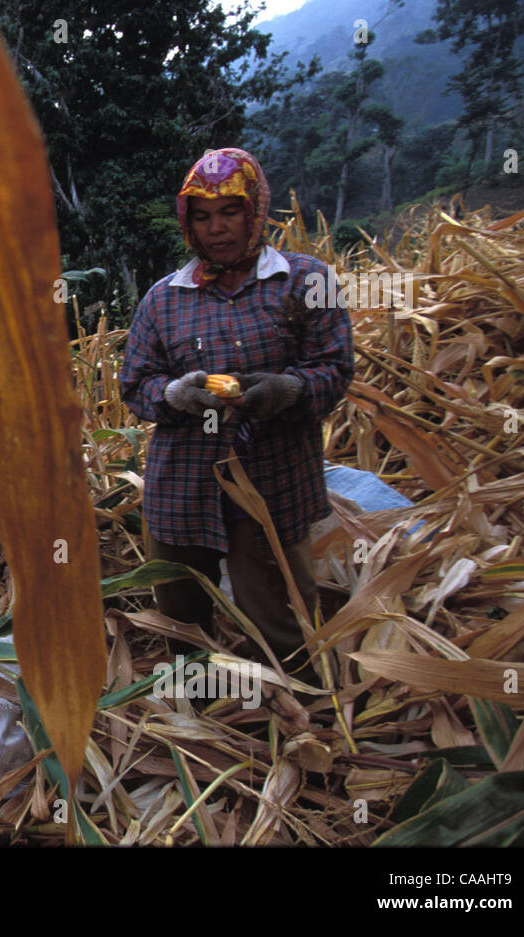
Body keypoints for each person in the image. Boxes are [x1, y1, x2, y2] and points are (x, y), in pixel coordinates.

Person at [119, 147, 354, 676]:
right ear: (188, 222)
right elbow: (135, 384)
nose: (216, 229)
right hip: (182, 488)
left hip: (271, 483)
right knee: (183, 620)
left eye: (229, 212)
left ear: (255, 212)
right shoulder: (164, 299)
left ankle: (307, 708)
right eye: (202, 216)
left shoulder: (303, 281)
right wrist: (176, 395)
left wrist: (288, 389)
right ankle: (198, 718)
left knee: (283, 615)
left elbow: (335, 368)